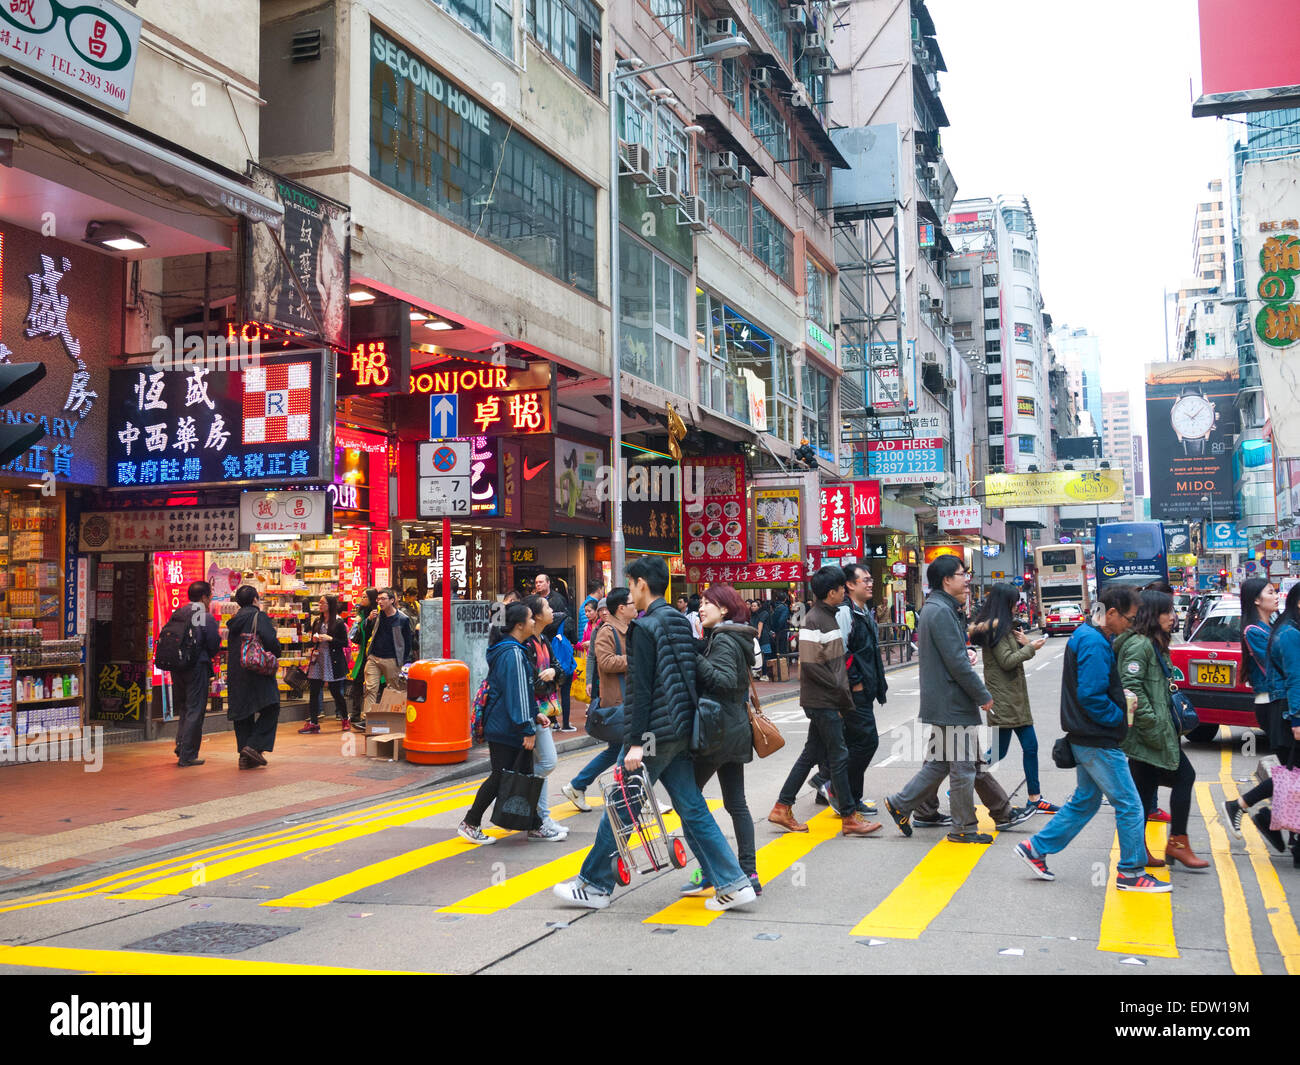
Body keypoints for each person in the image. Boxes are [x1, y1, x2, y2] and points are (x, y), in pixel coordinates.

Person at [554, 555, 756, 911]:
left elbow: (641, 691)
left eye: (631, 585)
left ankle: (595, 884)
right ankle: (733, 881)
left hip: (652, 735)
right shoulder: (680, 621)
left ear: (641, 584)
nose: (631, 592)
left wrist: (634, 742)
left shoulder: (644, 628)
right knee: (691, 806)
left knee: (621, 806)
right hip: (679, 729)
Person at [1013, 586, 1172, 892]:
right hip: (1096, 738)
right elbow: (1090, 696)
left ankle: (1035, 849)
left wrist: (1118, 698)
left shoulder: (1087, 636)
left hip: (1085, 735)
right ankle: (1130, 873)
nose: (1131, 624)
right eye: (1130, 618)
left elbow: (1091, 691)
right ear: (1110, 613)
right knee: (1130, 804)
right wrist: (1120, 716)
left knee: (1085, 802)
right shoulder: (1095, 644)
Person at [882, 557, 995, 844]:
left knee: (940, 763)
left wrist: (964, 654)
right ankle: (963, 828)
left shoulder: (939, 608)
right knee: (963, 769)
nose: (966, 580)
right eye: (961, 574)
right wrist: (982, 695)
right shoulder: (941, 611)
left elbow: (952, 655)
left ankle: (900, 803)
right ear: (946, 580)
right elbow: (956, 663)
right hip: (952, 702)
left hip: (944, 700)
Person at [768, 565, 881, 837]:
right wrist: (842, 698)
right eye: (842, 587)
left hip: (826, 699)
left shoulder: (826, 616)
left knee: (811, 753)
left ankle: (782, 806)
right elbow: (812, 667)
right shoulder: (816, 619)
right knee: (839, 755)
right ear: (833, 592)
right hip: (824, 701)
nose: (844, 591)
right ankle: (849, 816)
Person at [1115, 589, 1208, 870]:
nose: (1173, 616)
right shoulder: (1139, 646)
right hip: (1149, 732)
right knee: (1184, 776)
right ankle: (1177, 844)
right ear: (1152, 615)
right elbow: (1131, 689)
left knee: (1143, 791)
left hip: (1151, 731)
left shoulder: (1151, 643)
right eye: (1167, 611)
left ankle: (1141, 848)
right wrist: (1153, 723)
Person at [681, 584, 762, 896]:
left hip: (718, 732)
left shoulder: (724, 639)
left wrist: (693, 655)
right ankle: (748, 871)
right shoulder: (730, 635)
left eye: (707, 603)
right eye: (700, 603)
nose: (701, 608)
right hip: (733, 729)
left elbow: (726, 682)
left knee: (688, 799)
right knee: (735, 803)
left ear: (725, 609)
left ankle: (713, 868)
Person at [971, 582, 1059, 814]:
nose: (1016, 606)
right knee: (1006, 750)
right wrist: (1032, 648)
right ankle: (963, 784)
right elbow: (1007, 661)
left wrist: (1025, 643)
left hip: (1012, 697)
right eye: (1014, 602)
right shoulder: (997, 631)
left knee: (1026, 747)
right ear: (1005, 603)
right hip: (1005, 699)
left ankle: (1034, 797)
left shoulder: (1003, 627)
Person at [457, 602, 539, 844]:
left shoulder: (510, 649)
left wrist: (535, 714)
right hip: (507, 726)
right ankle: (470, 822)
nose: (534, 622)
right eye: (531, 618)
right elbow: (517, 693)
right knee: (502, 775)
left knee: (518, 773)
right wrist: (527, 726)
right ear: (519, 625)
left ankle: (535, 825)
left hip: (504, 723)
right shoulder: (512, 653)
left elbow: (518, 691)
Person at [808, 564, 885, 817]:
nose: (870, 583)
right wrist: (855, 682)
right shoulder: (844, 612)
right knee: (866, 742)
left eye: (871, 578)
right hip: (852, 692)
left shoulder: (864, 611)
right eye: (865, 579)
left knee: (847, 744)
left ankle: (834, 787)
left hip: (863, 690)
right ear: (849, 585)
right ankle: (839, 791)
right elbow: (838, 653)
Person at [1223, 579, 1288, 850]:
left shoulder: (1271, 627)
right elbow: (1280, 664)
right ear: (1256, 601)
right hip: (1271, 704)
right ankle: (1241, 805)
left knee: (1291, 770)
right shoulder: (1254, 631)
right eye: (1270, 593)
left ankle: (1269, 818)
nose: (1276, 596)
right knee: (1292, 770)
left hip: (1278, 701)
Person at [563, 588, 634, 811]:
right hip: (617, 701)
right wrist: (635, 659)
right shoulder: (607, 631)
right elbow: (606, 662)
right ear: (621, 608)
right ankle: (632, 797)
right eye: (631, 603)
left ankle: (577, 785)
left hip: (626, 699)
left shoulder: (626, 629)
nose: (635, 606)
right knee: (631, 748)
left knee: (616, 750)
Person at [523, 596, 568, 841]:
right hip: (535, 712)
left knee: (542, 766)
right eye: (547, 607)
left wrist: (554, 672)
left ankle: (541, 818)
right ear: (536, 615)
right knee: (546, 764)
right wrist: (546, 677)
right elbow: (528, 681)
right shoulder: (527, 644)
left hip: (546, 712)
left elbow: (561, 670)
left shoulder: (544, 640)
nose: (552, 610)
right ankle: (536, 812)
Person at [225, 585, 282, 769]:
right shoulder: (259, 616)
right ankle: (254, 745)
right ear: (256, 600)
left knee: (242, 713)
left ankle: (245, 755)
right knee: (271, 706)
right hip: (257, 670)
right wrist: (276, 651)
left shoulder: (234, 621)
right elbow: (272, 642)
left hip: (236, 673)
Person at [170, 580, 220, 767]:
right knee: (195, 709)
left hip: (177, 666)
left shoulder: (179, 612)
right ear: (204, 597)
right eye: (210, 597)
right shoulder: (204, 616)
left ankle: (181, 744)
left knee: (184, 707)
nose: (210, 601)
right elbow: (214, 643)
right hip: (196, 667)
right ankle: (188, 754)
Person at [352, 588, 414, 732]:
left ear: (392, 600)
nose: (379, 602)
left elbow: (408, 642)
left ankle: (398, 720)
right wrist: (368, 620)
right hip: (374, 657)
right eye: (378, 599)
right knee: (370, 689)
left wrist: (403, 661)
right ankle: (368, 720)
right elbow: (364, 634)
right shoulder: (376, 616)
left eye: (383, 599)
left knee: (395, 690)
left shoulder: (402, 619)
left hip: (392, 659)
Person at [301, 595, 349, 734]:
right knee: (314, 691)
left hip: (332, 660)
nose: (320, 605)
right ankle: (313, 722)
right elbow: (312, 640)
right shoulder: (317, 621)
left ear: (330, 605)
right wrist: (314, 639)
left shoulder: (339, 622)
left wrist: (330, 639)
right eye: (319, 602)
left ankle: (345, 718)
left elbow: (344, 643)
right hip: (318, 658)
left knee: (335, 692)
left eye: (323, 603)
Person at [346, 588, 380, 731]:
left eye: (365, 596)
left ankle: (373, 715)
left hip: (375, 654)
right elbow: (354, 634)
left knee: (375, 686)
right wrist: (362, 621)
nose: (362, 599)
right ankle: (355, 714)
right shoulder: (361, 613)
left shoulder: (378, 612)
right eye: (361, 596)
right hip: (363, 654)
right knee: (358, 682)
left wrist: (370, 620)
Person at [550, 610, 578, 732]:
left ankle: (553, 722)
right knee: (565, 694)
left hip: (551, 663)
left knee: (550, 692)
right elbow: (575, 640)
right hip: (565, 664)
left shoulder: (548, 621)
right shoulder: (568, 620)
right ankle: (565, 723)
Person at [534, 573, 575, 643]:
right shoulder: (534, 600)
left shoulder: (558, 599)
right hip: (537, 637)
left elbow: (566, 620)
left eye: (541, 582)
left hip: (555, 639)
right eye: (536, 582)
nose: (538, 584)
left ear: (548, 583)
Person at [752, 598, 772, 679]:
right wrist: (759, 635)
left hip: (758, 636)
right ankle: (763, 674)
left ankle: (758, 672)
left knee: (760, 654)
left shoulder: (759, 614)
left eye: (754, 606)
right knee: (765, 654)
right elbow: (760, 623)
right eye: (752, 606)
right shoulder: (764, 613)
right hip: (762, 637)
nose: (752, 607)